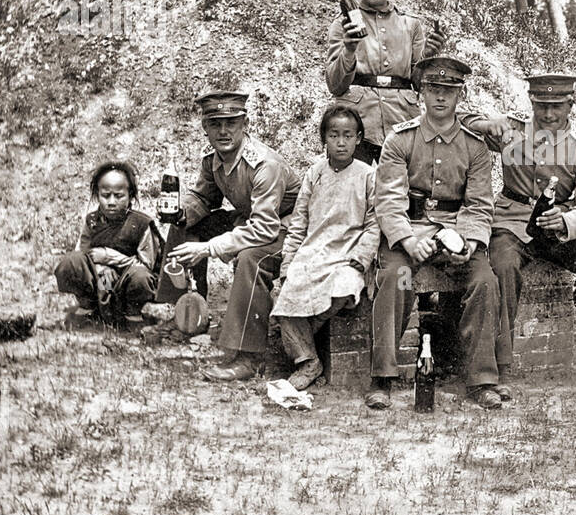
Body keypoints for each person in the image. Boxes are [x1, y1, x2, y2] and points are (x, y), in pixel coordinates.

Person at [371, 56, 503, 410]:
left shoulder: (475, 146)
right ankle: (382, 377)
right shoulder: (400, 140)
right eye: (433, 89)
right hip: (411, 232)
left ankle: (481, 379)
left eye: (449, 90)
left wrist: (469, 242)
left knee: (484, 281)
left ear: (460, 95)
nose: (441, 97)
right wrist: (407, 239)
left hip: (456, 236)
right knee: (394, 277)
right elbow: (387, 200)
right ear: (421, 93)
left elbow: (479, 204)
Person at [476, 74, 576, 397]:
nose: (549, 114)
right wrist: (490, 123)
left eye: (557, 106)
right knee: (502, 265)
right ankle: (502, 363)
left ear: (570, 105)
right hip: (514, 223)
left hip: (560, 231)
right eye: (542, 106)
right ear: (532, 103)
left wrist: (567, 220)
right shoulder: (512, 136)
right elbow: (458, 120)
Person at [165, 91, 301, 380]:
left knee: (251, 259)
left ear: (245, 123)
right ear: (205, 128)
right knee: (185, 226)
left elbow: (266, 228)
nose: (223, 131)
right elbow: (204, 198)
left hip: (290, 228)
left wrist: (208, 249)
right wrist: (182, 213)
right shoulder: (212, 159)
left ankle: (248, 357)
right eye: (215, 124)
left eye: (231, 123)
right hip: (251, 221)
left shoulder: (265, 165)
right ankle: (185, 314)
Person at [273, 104, 380, 391]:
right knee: (285, 293)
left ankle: (304, 339)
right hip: (313, 253)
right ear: (325, 140)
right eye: (334, 135)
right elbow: (299, 224)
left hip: (348, 255)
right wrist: (288, 263)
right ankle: (309, 361)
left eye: (348, 135)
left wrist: (361, 258)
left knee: (344, 289)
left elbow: (374, 224)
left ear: (358, 139)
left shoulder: (368, 175)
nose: (341, 142)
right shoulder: (314, 174)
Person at [325, 0, 446, 165]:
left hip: (400, 120)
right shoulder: (343, 24)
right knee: (352, 187)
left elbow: (419, 85)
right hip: (356, 123)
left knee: (400, 190)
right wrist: (349, 50)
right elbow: (335, 85)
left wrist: (428, 57)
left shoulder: (411, 26)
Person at [54, 160, 162, 327]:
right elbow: (82, 256)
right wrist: (101, 267)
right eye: (105, 195)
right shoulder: (92, 221)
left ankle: (132, 314)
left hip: (127, 284)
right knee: (70, 262)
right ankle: (87, 307)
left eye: (119, 196)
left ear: (130, 195)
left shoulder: (141, 224)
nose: (111, 202)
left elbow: (147, 266)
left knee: (141, 277)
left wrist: (111, 258)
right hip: (99, 281)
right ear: (98, 195)